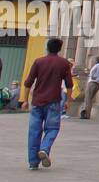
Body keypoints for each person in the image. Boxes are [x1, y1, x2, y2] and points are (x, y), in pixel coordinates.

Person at [24, 37, 74, 170]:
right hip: (53, 102)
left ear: (47, 47)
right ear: (59, 49)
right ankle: (44, 149)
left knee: (34, 131)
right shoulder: (64, 63)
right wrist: (68, 101)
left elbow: (28, 82)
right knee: (52, 128)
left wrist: (24, 100)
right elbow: (69, 84)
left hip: (37, 101)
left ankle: (33, 162)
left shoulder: (38, 61)